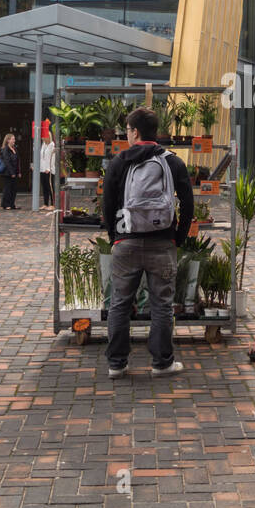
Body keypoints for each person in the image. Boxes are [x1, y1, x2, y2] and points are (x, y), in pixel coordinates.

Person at [100, 106, 193, 378]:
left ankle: (117, 364)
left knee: (119, 303)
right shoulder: (172, 162)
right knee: (162, 304)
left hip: (126, 244)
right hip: (162, 244)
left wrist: (115, 237)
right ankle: (162, 363)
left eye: (127, 130)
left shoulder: (119, 161)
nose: (126, 134)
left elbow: (108, 204)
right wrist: (178, 238)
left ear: (135, 132)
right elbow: (187, 204)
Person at [0, 133, 20, 210]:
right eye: (13, 139)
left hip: (14, 172)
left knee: (14, 189)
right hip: (7, 173)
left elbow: (18, 161)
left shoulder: (14, 148)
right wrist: (12, 173)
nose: (14, 140)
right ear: (8, 140)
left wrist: (18, 171)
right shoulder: (5, 149)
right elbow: (7, 162)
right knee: (7, 188)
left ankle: (12, 204)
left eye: (14, 139)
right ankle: (5, 204)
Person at [38, 129, 56, 211]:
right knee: (44, 187)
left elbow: (53, 158)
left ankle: (53, 204)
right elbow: (42, 157)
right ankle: (45, 203)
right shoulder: (43, 145)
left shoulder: (52, 145)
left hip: (49, 169)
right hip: (42, 169)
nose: (43, 138)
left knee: (50, 187)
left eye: (45, 136)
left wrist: (49, 168)